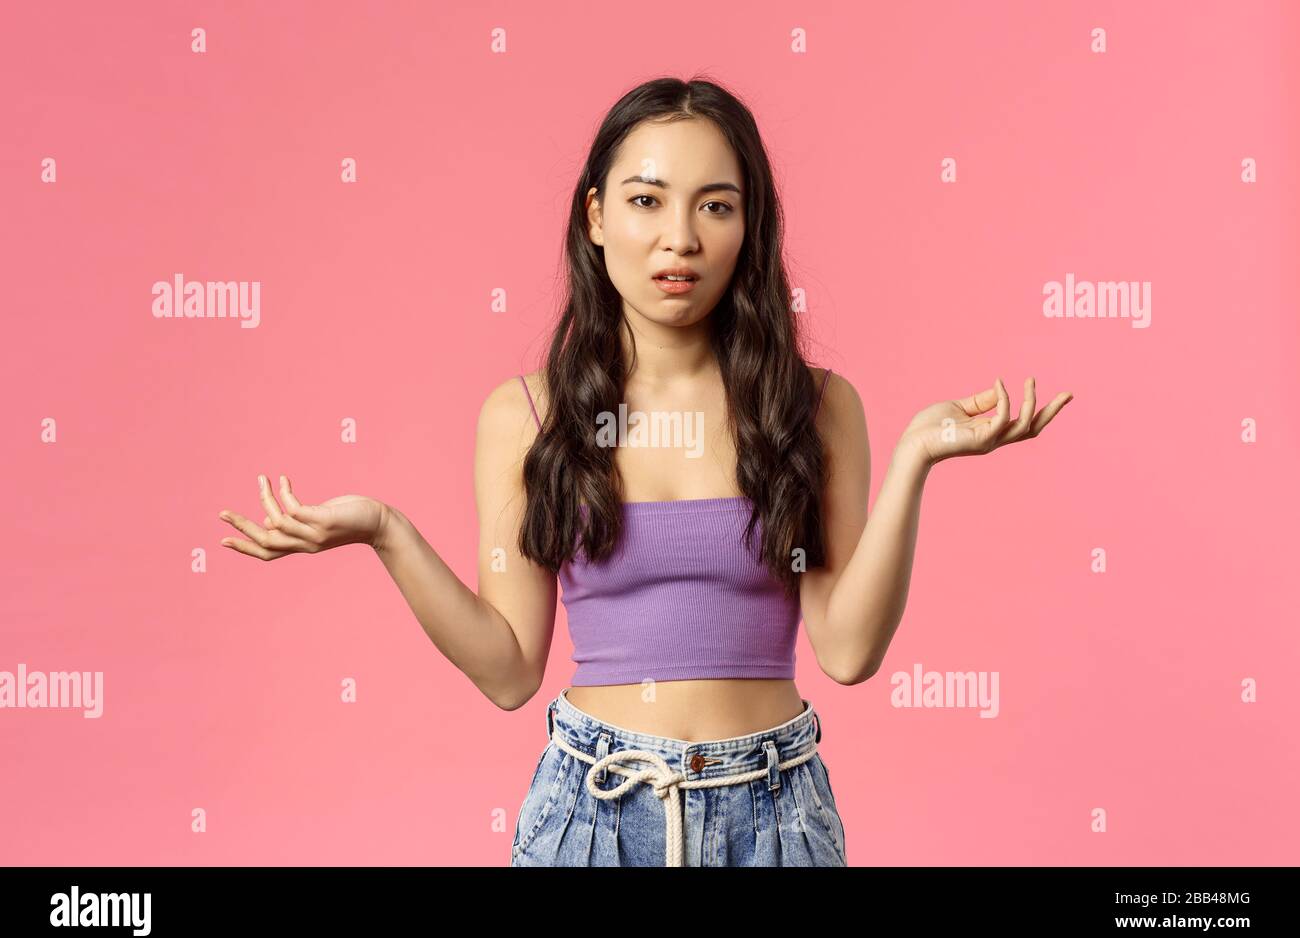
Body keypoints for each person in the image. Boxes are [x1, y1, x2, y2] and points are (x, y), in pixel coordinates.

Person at [216, 76, 1072, 867]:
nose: (681, 238)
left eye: (716, 205)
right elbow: (511, 669)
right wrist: (385, 531)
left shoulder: (812, 407)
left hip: (775, 814)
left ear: (751, 225)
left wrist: (918, 458)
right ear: (596, 216)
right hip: (593, 811)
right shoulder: (527, 416)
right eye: (646, 201)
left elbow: (847, 652)